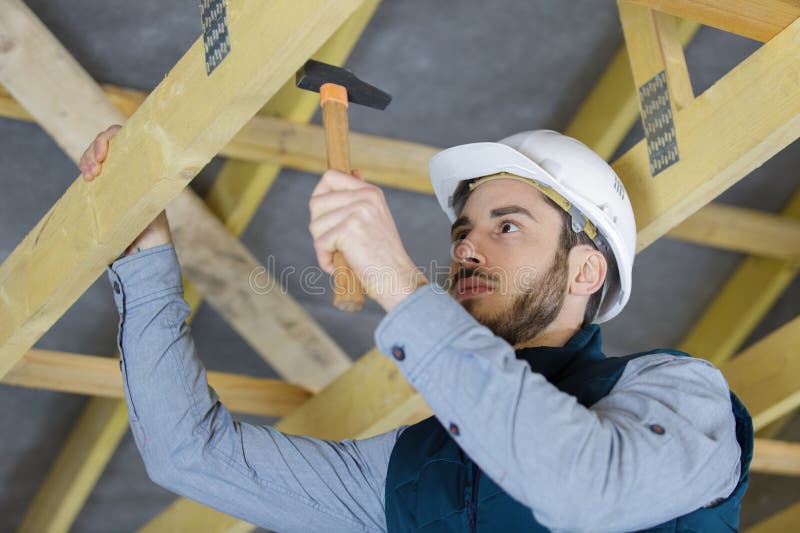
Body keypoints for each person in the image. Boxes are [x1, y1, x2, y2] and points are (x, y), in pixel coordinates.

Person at [81, 126, 752, 532]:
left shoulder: (681, 393)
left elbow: (582, 485)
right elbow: (187, 454)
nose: (465, 249)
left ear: (583, 272)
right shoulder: (411, 470)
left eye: (506, 226)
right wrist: (145, 255)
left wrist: (396, 279)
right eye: (463, 232)